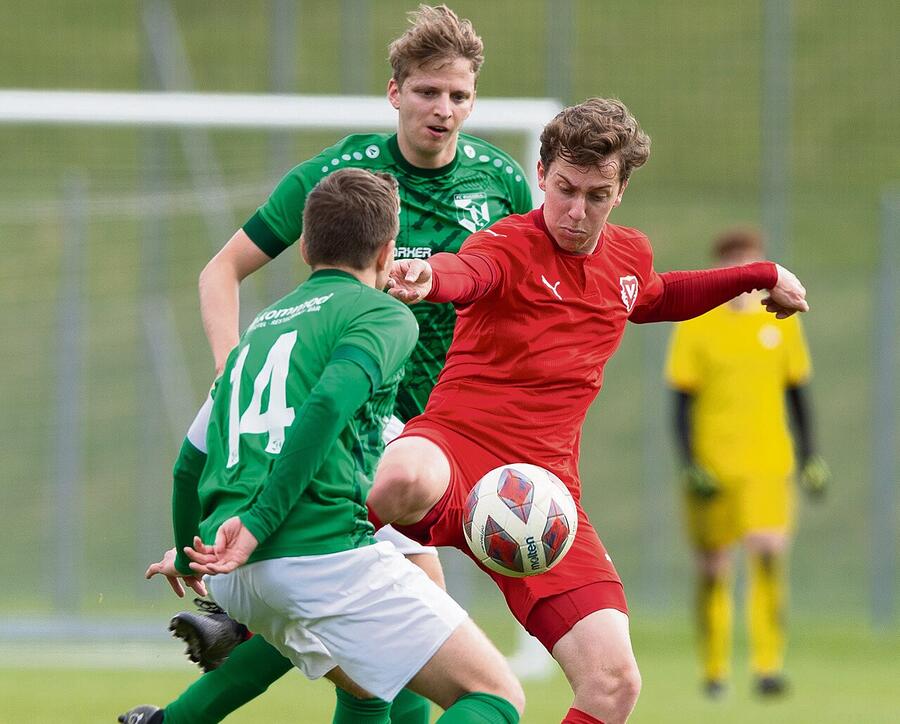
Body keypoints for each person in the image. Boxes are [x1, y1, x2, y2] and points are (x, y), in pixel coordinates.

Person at [127, 5, 533, 724]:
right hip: (354, 442)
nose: (443, 109)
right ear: (395, 93)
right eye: (428, 92)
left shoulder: (501, 184)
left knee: (366, 654)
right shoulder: (342, 179)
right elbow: (221, 272)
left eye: (459, 95)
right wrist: (233, 375)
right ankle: (224, 642)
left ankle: (202, 675)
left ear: (474, 99)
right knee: (415, 643)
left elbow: (521, 297)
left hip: (429, 432)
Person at [367, 97, 811, 724]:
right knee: (402, 477)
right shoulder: (507, 241)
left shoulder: (627, 257)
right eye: (565, 189)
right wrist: (428, 278)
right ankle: (285, 564)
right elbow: (469, 272)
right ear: (542, 174)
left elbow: (654, 295)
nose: (577, 212)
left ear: (620, 189)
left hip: (544, 496)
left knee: (614, 683)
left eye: (597, 195)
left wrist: (759, 274)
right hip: (455, 450)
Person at [664, 227, 830, 699]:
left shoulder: (781, 322)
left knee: (769, 554)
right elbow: (680, 401)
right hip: (715, 467)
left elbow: (798, 393)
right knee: (715, 570)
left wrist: (810, 455)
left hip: (768, 462)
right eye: (734, 261)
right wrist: (690, 463)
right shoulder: (697, 323)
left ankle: (767, 666)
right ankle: (715, 670)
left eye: (751, 260)